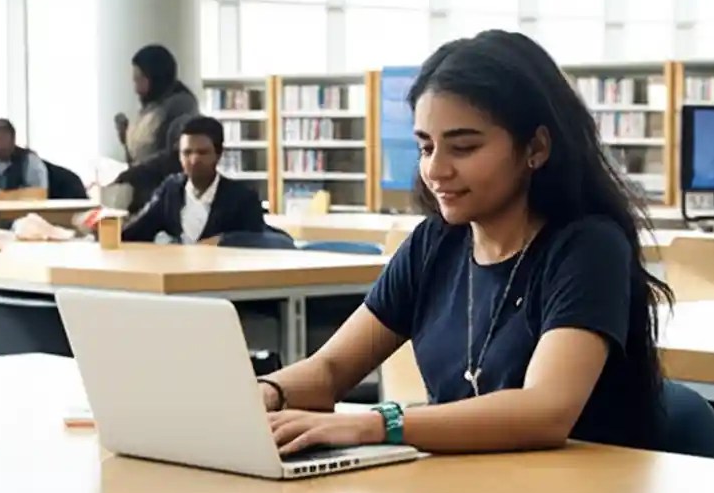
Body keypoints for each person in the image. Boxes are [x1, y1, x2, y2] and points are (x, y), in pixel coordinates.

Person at [258, 30, 673, 457]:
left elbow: (545, 411)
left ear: (536, 147)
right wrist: (265, 395)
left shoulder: (588, 247)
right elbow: (331, 368)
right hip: (464, 492)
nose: (435, 170)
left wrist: (376, 424)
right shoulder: (434, 244)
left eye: (463, 147)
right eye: (425, 147)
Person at [122, 115, 265, 244]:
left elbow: (256, 241)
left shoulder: (242, 197)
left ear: (219, 154)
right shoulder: (170, 190)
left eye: (202, 152)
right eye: (187, 153)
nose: (194, 160)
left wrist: (223, 241)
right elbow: (138, 229)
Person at [114, 44, 200, 212]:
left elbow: (173, 156)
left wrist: (135, 172)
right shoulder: (149, 106)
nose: (136, 88)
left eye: (140, 80)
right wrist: (125, 138)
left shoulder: (180, 106)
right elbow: (137, 157)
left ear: (155, 77)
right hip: (143, 194)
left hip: (167, 197)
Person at [0, 119, 48, 198]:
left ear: (13, 139)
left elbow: (40, 194)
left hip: (24, 209)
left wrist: (2, 197)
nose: (1, 147)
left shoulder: (30, 162)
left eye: (4, 140)